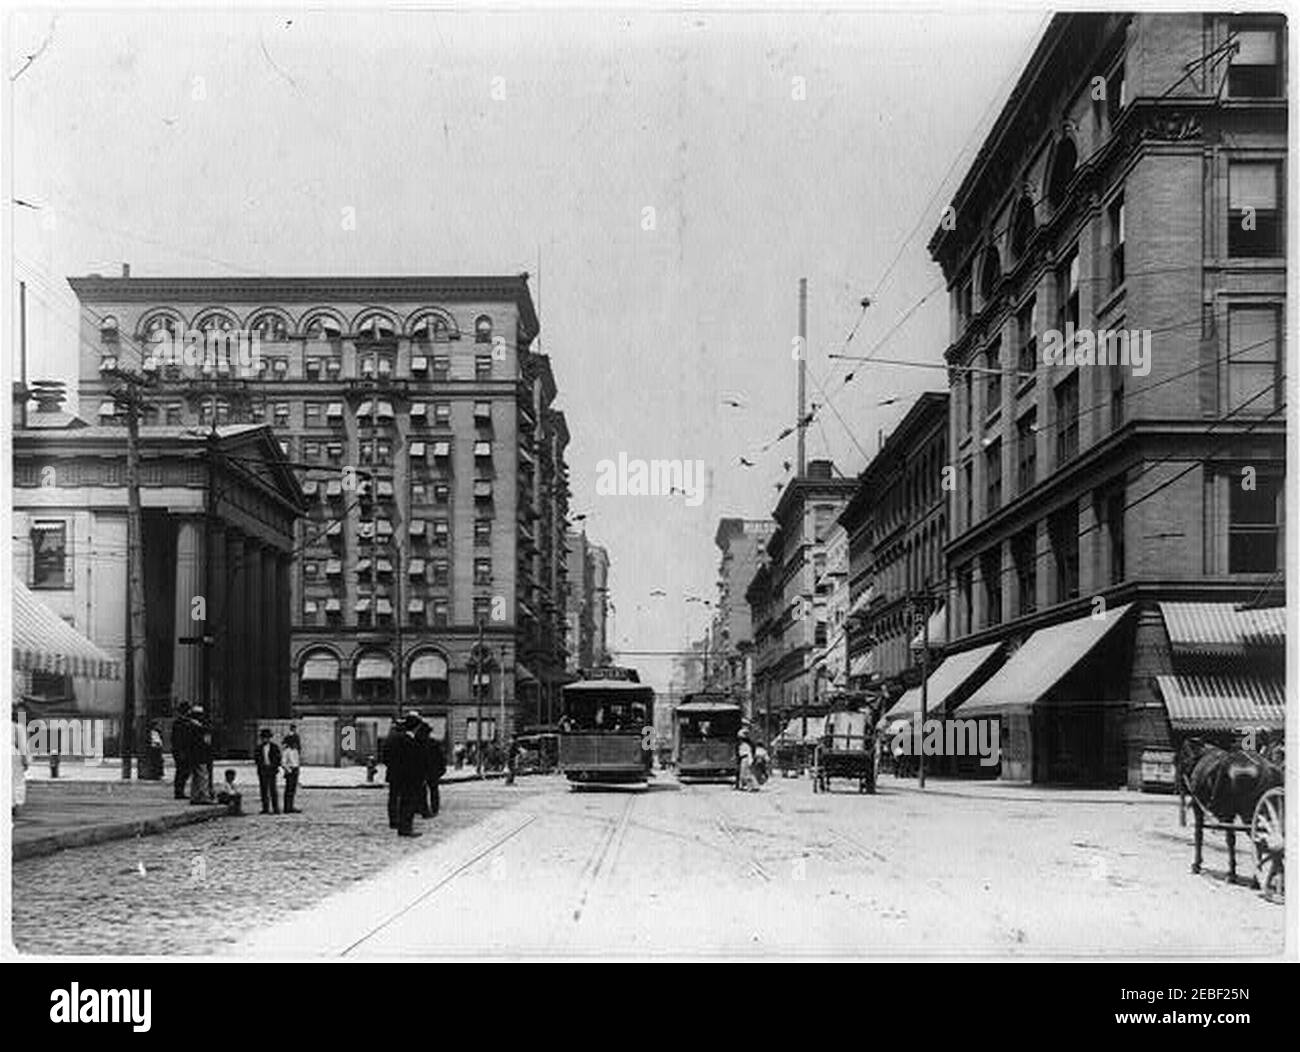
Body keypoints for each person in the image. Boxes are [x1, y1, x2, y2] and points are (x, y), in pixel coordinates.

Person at [188, 706, 214, 804]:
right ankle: (203, 796)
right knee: (203, 776)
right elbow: (206, 742)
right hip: (201, 755)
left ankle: (195, 796)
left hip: (194, 755)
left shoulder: (190, 726)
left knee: (196, 777)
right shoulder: (199, 728)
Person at [254, 728, 281, 814]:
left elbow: (278, 758)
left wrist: (273, 766)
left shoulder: (274, 747)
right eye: (264, 738)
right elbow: (257, 759)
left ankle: (275, 808)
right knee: (264, 790)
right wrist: (262, 766)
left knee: (273, 790)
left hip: (272, 770)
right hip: (263, 770)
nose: (265, 739)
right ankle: (265, 808)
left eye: (267, 737)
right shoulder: (259, 748)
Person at [171, 701, 192, 799]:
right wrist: (181, 751)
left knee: (183, 771)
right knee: (182, 771)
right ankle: (179, 791)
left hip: (182, 750)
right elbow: (179, 739)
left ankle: (179, 791)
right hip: (181, 750)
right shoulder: (180, 723)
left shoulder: (182, 722)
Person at [281, 726, 302, 813]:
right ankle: (287, 807)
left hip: (295, 770)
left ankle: (291, 805)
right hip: (290, 771)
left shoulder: (296, 751)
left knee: (292, 790)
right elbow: (283, 763)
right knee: (288, 790)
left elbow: (297, 762)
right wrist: (289, 770)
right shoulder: (287, 751)